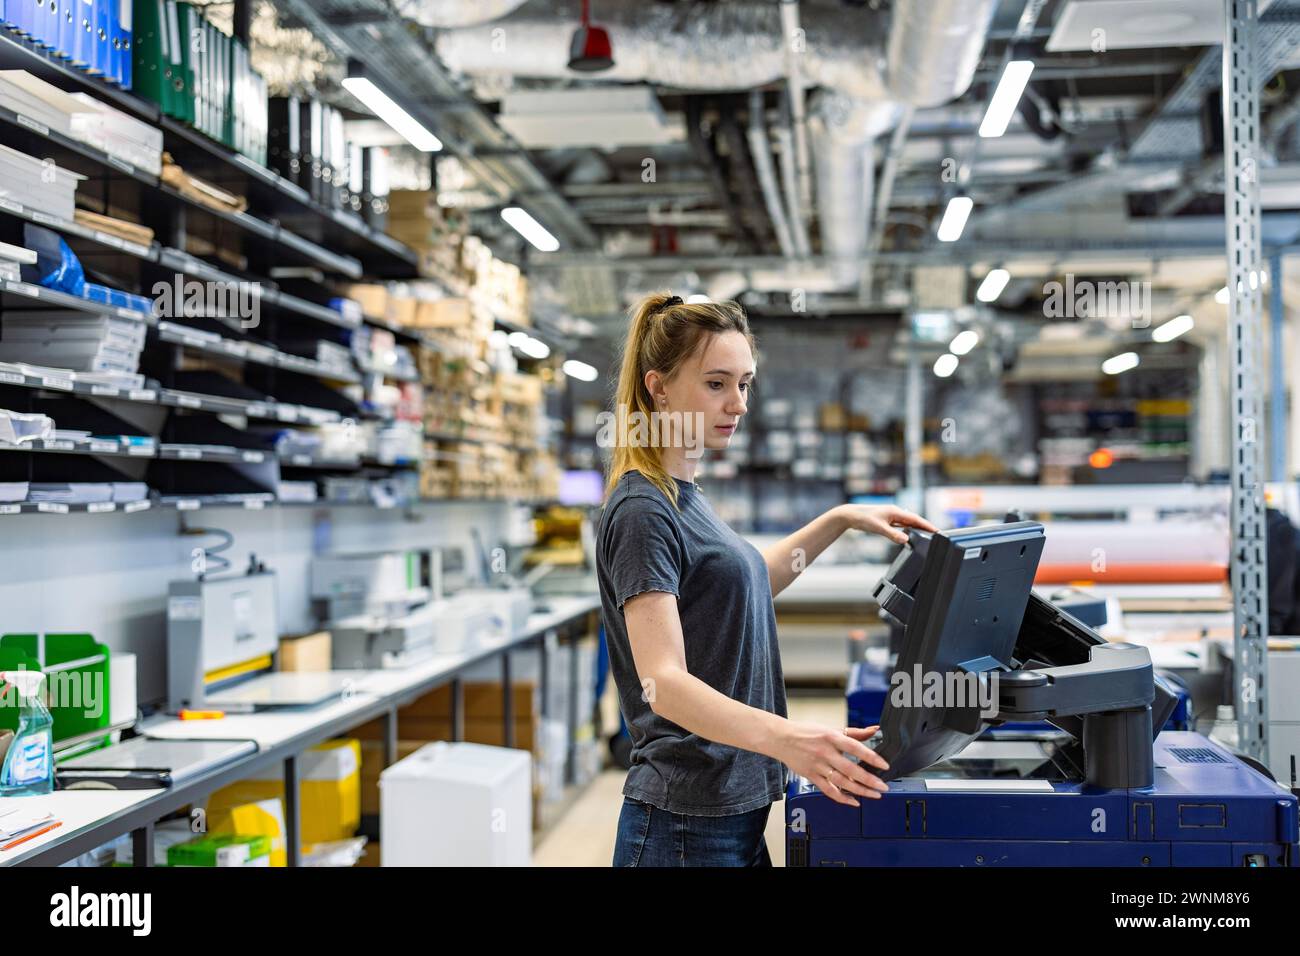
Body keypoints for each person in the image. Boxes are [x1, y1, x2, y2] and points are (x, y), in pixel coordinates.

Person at [596, 292, 937, 866]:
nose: (738, 403)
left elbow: (745, 587)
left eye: (745, 384)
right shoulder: (643, 509)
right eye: (716, 384)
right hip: (684, 824)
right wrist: (790, 739)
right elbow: (665, 684)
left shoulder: (685, 497)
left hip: (733, 810)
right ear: (658, 387)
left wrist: (841, 519)